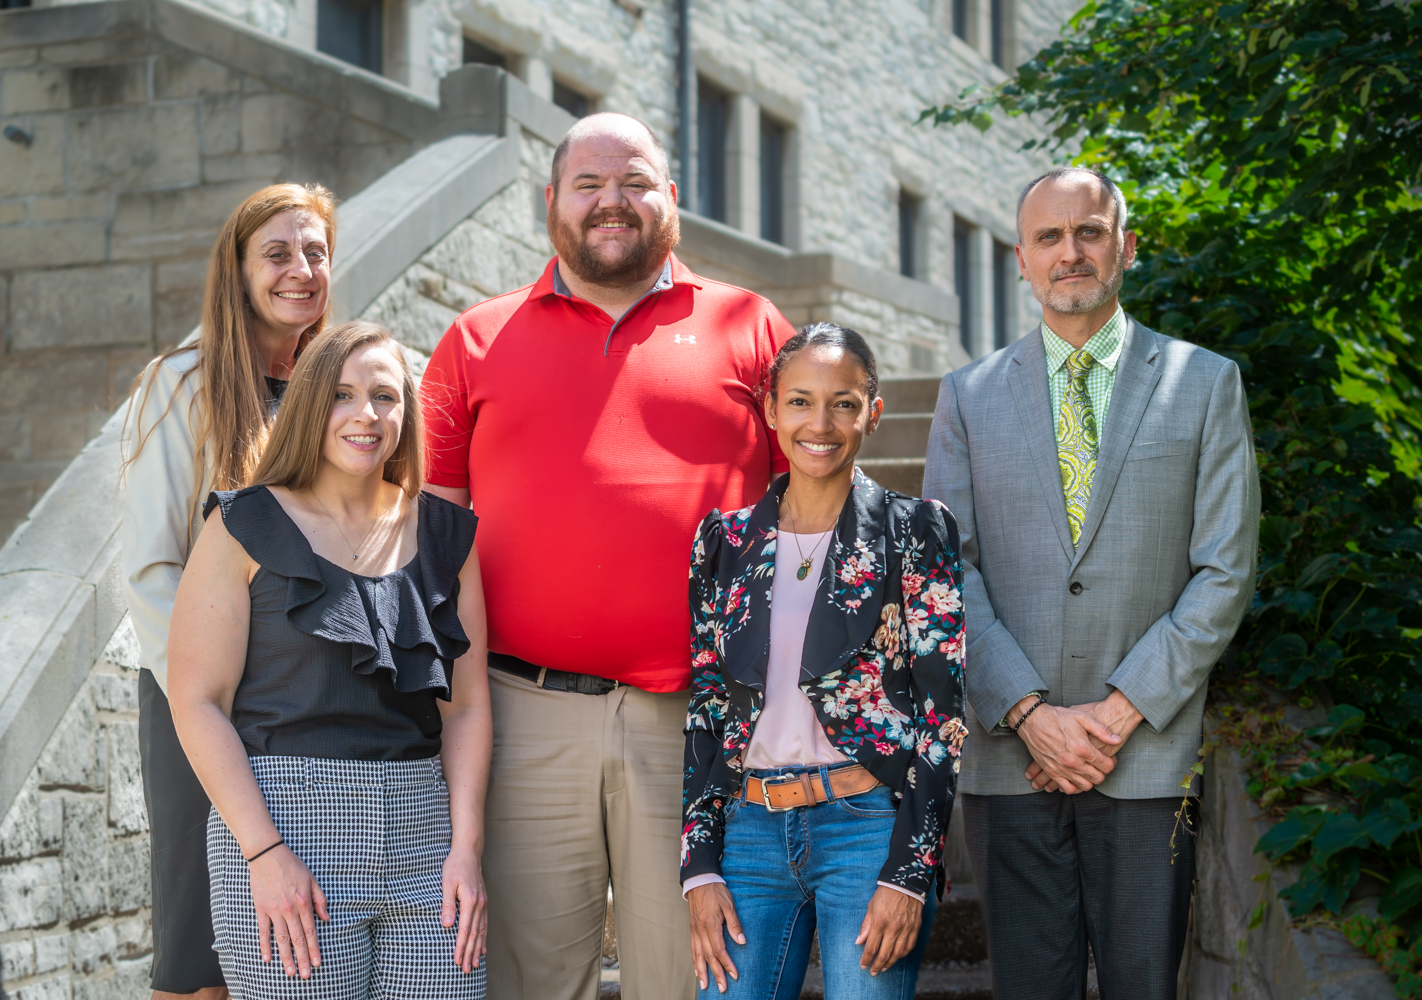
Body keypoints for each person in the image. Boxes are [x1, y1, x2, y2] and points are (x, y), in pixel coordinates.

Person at [418, 111, 797, 1000]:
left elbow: (809, 518)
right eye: (587, 184)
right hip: (523, 714)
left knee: (693, 978)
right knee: (530, 982)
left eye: (633, 182)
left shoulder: (752, 326)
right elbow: (433, 542)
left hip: (700, 720)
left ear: (672, 198)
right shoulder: (474, 339)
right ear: (551, 201)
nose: (610, 202)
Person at [923, 167, 1260, 1000]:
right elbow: (946, 571)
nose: (1069, 251)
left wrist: (1114, 716)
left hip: (1145, 757)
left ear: (1125, 247)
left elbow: (1224, 568)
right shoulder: (967, 397)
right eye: (1049, 236)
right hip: (1012, 759)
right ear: (1022, 258)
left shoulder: (1205, 383)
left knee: (1145, 984)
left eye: (1089, 232)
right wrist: (1030, 716)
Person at [165, 321, 491, 999]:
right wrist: (262, 851)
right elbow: (197, 701)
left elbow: (465, 709)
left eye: (384, 396)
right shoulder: (241, 526)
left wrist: (466, 849)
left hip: (426, 839)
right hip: (286, 829)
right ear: (310, 404)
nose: (365, 415)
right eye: (342, 395)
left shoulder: (446, 535)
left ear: (406, 412)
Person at [682, 323, 967, 999]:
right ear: (770, 409)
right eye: (801, 401)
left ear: (874, 411)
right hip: (748, 834)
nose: (821, 424)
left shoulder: (914, 530)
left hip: (867, 830)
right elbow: (707, 705)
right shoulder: (724, 543)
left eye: (844, 403)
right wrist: (699, 866)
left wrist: (910, 870)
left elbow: (942, 717)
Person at [121, 182, 336, 1000]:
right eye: (277, 254)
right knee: (199, 958)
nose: (300, 270)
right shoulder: (181, 383)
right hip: (203, 707)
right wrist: (204, 696)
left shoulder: (336, 394)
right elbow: (151, 569)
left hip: (308, 709)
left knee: (303, 945)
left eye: (315, 252)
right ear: (238, 270)